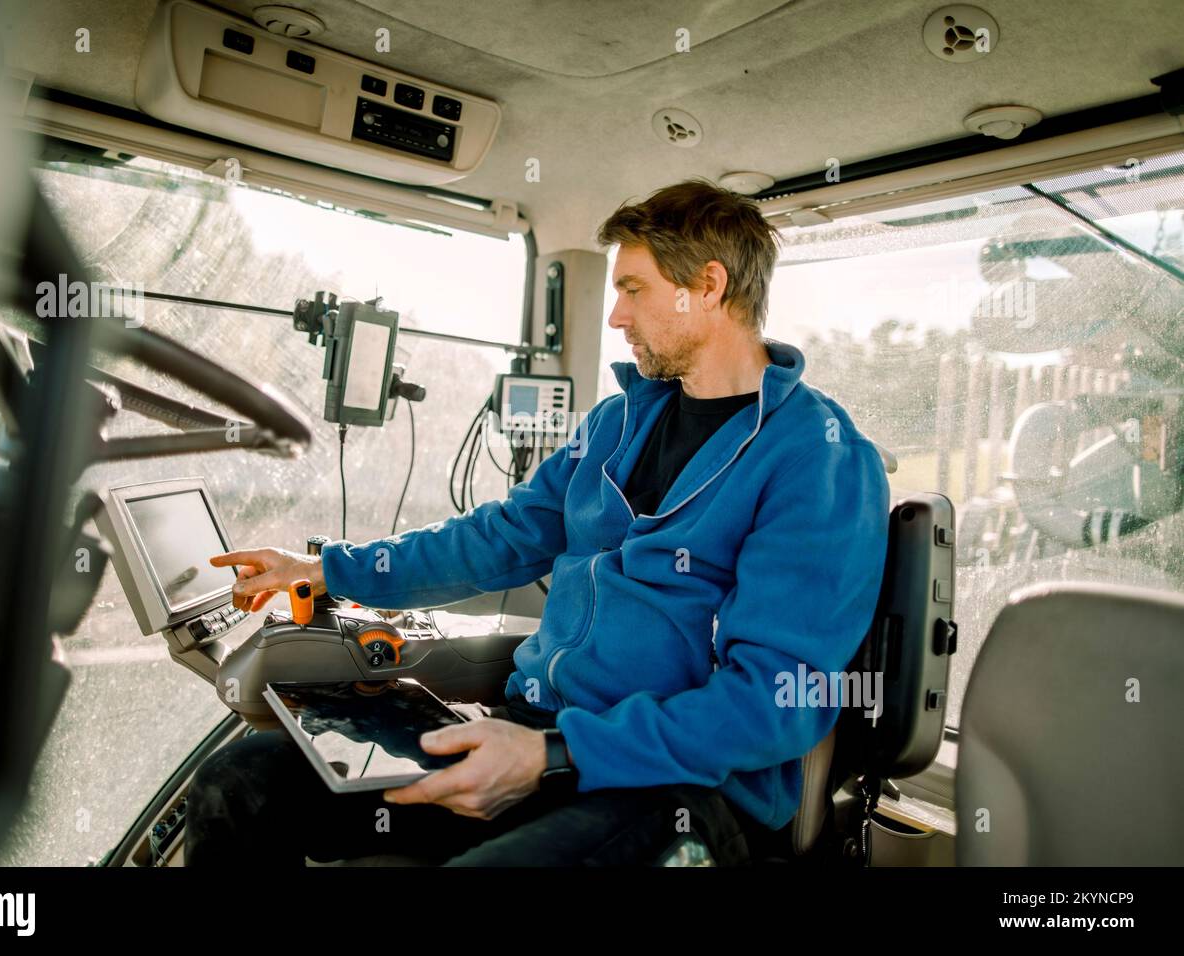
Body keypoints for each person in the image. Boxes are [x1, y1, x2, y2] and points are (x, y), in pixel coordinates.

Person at [184, 178, 891, 866]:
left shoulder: (819, 459)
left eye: (633, 289)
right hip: (535, 734)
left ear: (707, 287)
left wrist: (559, 754)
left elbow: (776, 701)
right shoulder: (618, 422)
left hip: (680, 787)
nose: (616, 316)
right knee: (238, 785)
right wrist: (327, 567)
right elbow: (501, 535)